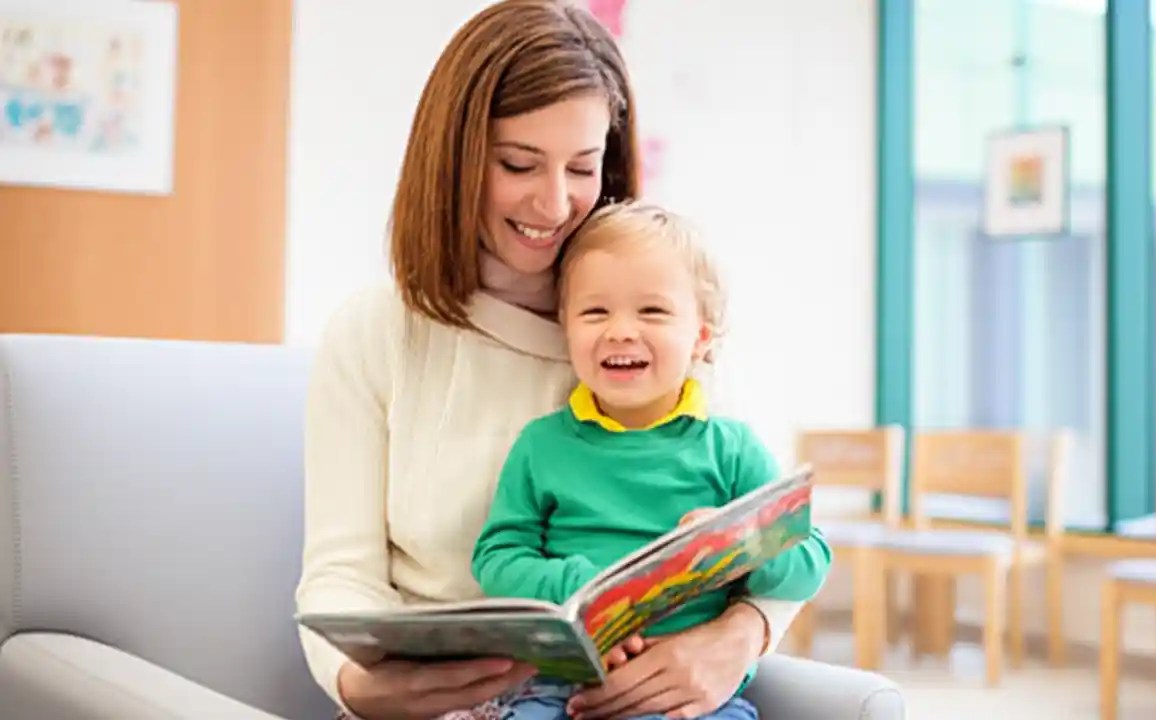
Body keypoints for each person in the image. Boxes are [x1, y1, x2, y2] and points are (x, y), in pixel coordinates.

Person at [294, 1, 808, 719]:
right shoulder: (375, 332)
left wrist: (738, 638)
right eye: (517, 163)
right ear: (457, 158)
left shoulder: (659, 330)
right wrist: (363, 687)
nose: (555, 201)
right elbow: (339, 575)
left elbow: (774, 533)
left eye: (584, 166)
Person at [471, 202, 832, 720]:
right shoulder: (541, 445)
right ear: (565, 328)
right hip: (556, 688)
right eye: (595, 312)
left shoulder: (729, 448)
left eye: (653, 312)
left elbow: (810, 558)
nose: (620, 330)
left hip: (687, 703)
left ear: (701, 338)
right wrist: (579, 588)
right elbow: (497, 557)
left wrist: (743, 543)